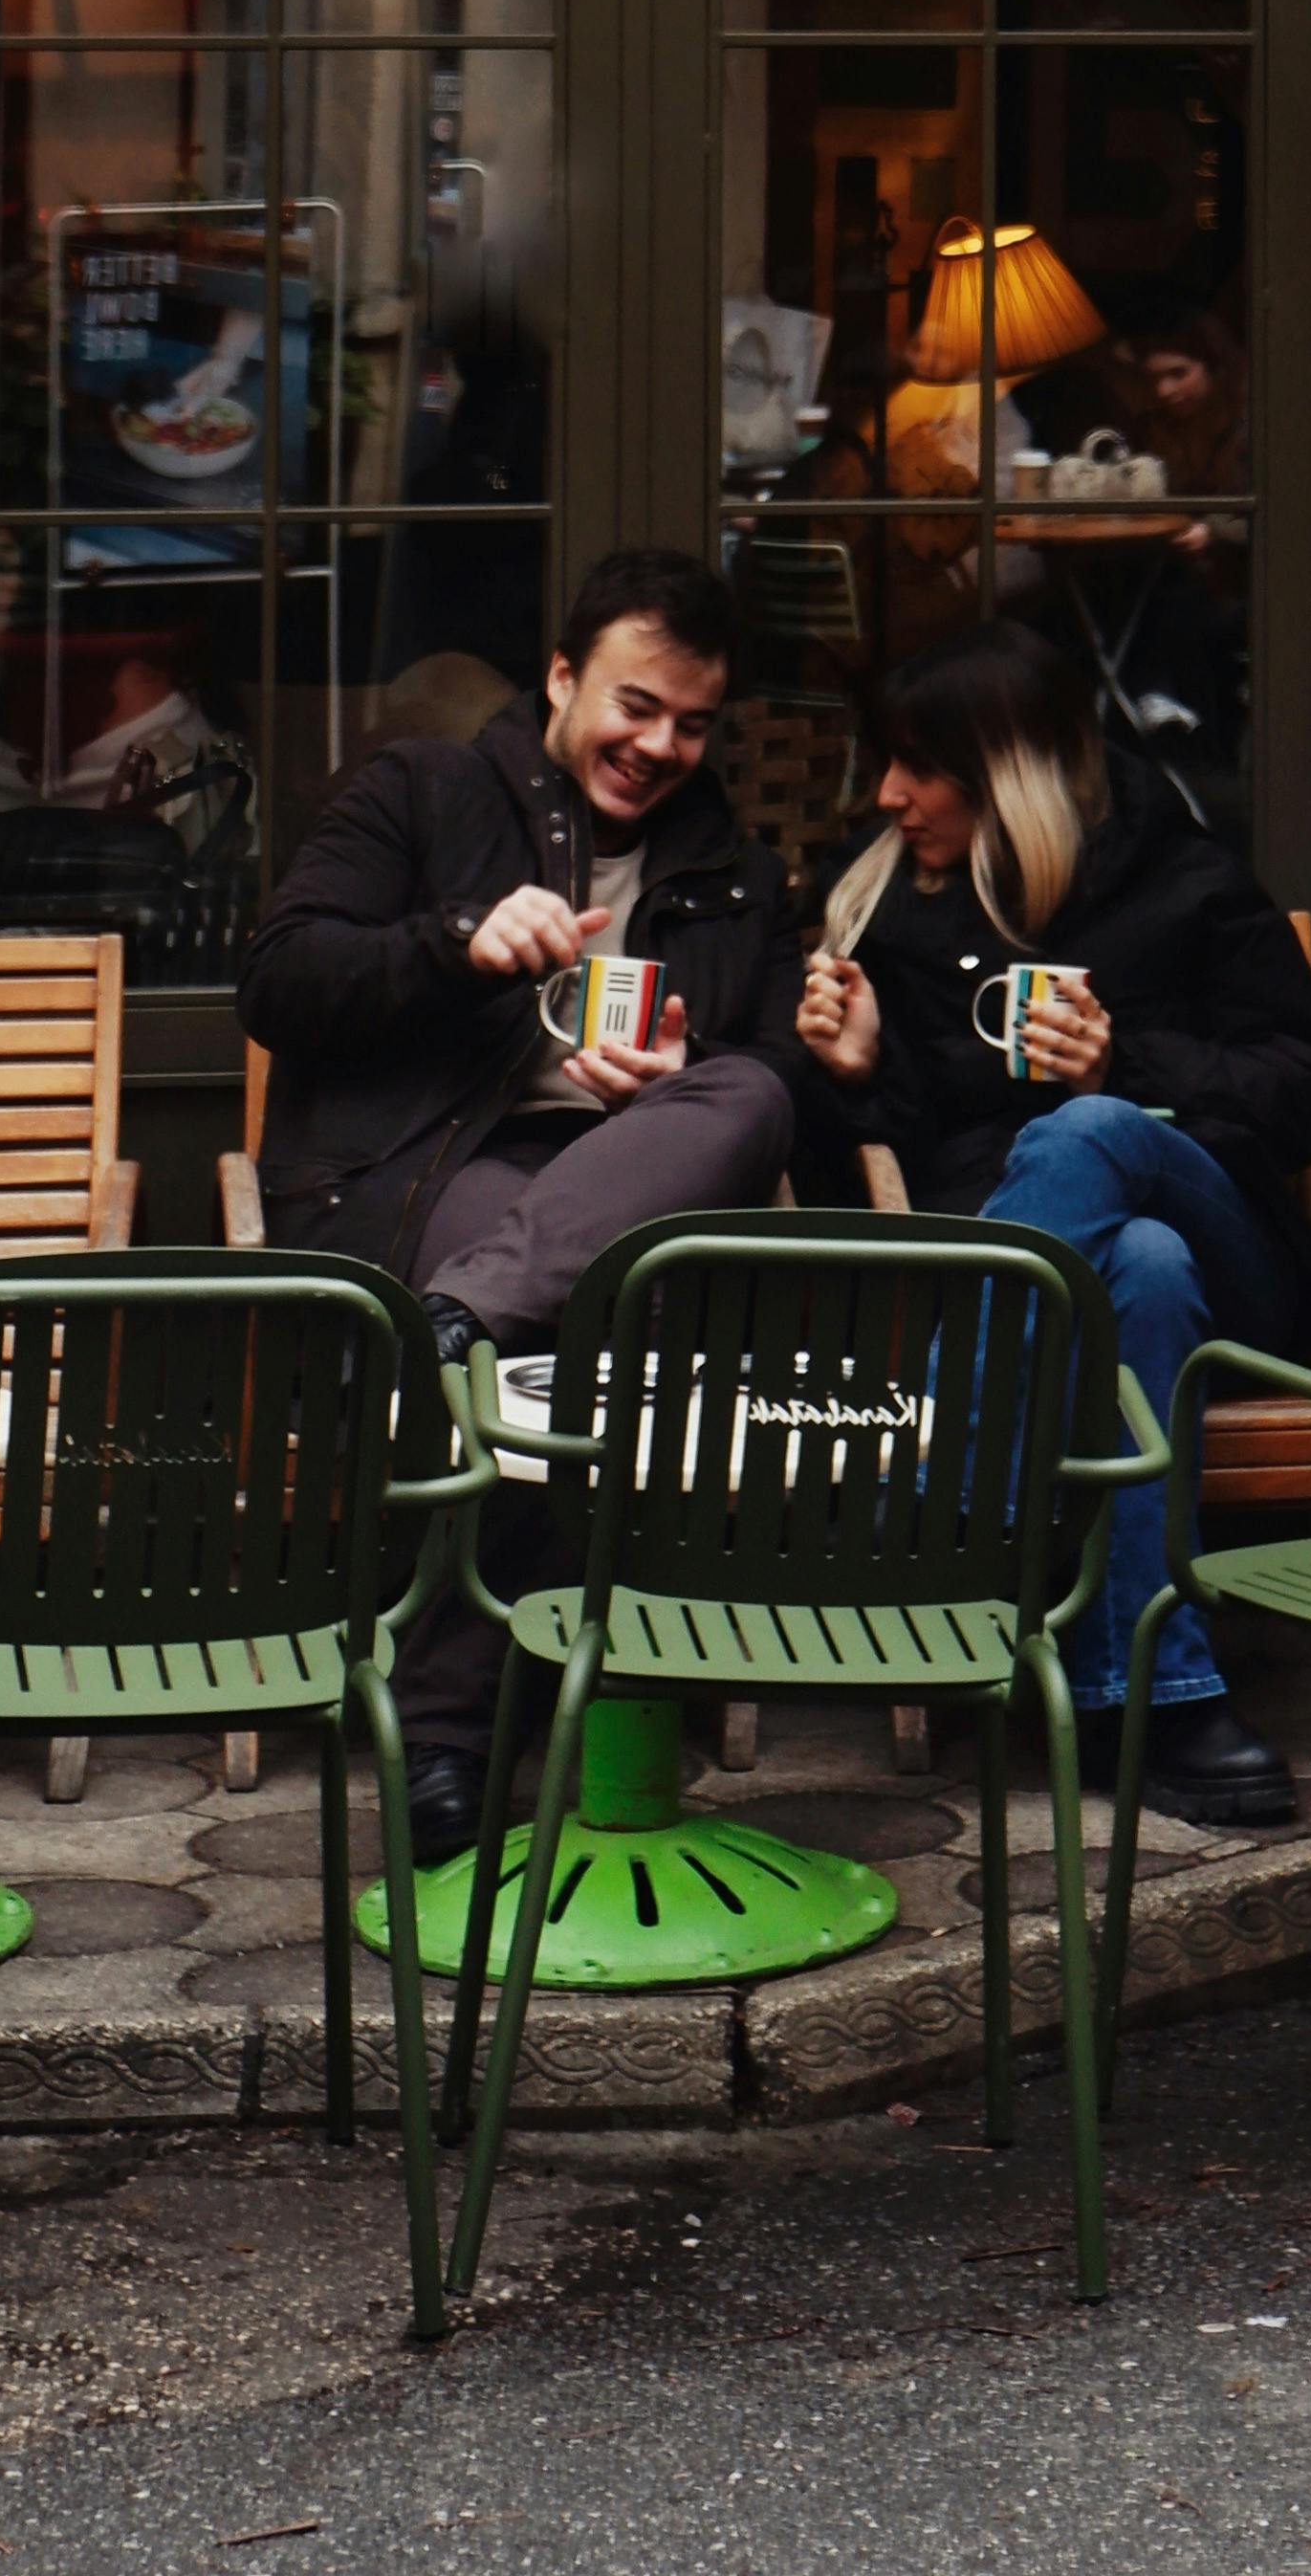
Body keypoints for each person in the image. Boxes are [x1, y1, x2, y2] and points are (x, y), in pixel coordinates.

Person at [242, 545, 805, 1858]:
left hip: (630, 1187)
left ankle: (453, 1329)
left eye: (693, 722)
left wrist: (681, 1080)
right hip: (434, 1167)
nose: (660, 745)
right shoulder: (424, 790)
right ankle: (451, 1736)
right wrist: (457, 945)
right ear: (563, 678)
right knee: (556, 1323)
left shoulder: (735, 874)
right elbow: (280, 982)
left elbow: (785, 1091)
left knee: (746, 1098)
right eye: (633, 704)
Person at [795, 619, 1311, 1835]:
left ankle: (942, 1488)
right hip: (1084, 1279)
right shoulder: (892, 907)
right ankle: (1159, 1697)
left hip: (1237, 1252)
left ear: (1012, 778)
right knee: (1133, 1270)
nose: (888, 795)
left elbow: (1307, 1086)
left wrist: (1127, 1060)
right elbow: (895, 1155)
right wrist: (854, 1073)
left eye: (917, 767)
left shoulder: (1183, 881)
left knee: (1085, 1132)